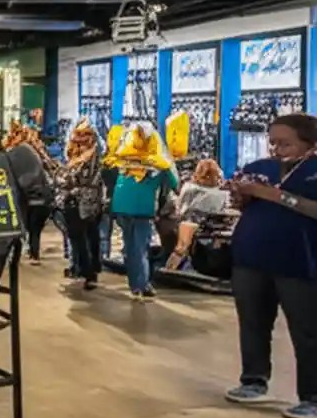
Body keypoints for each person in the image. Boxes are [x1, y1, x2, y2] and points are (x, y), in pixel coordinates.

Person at [225, 114, 317, 418]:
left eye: (286, 142)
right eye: (273, 142)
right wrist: (241, 195)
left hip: (299, 262)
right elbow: (243, 206)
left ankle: (312, 397)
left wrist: (276, 196)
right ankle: (253, 379)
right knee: (252, 321)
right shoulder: (258, 168)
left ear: (310, 143)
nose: (277, 148)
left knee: (307, 331)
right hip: (252, 257)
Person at [103, 123, 179, 301]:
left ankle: (135, 284)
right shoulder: (158, 165)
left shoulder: (123, 161)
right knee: (140, 248)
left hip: (120, 207)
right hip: (142, 210)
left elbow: (108, 174)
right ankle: (141, 286)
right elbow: (175, 184)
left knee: (130, 247)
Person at [56, 121, 106, 289]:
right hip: (84, 202)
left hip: (83, 202)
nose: (79, 138)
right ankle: (83, 268)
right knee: (86, 237)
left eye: (84, 135)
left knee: (82, 239)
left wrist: (63, 179)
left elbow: (76, 178)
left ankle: (88, 272)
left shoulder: (92, 157)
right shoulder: (80, 154)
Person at [4, 123, 55, 266]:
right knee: (34, 230)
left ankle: (26, 253)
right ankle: (33, 253)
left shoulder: (16, 153)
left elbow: (15, 181)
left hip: (32, 199)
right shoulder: (31, 151)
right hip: (43, 198)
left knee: (27, 228)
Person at [165, 159, 229, 270]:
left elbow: (180, 209)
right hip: (210, 231)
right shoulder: (223, 195)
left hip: (186, 227)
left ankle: (171, 266)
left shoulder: (189, 189)